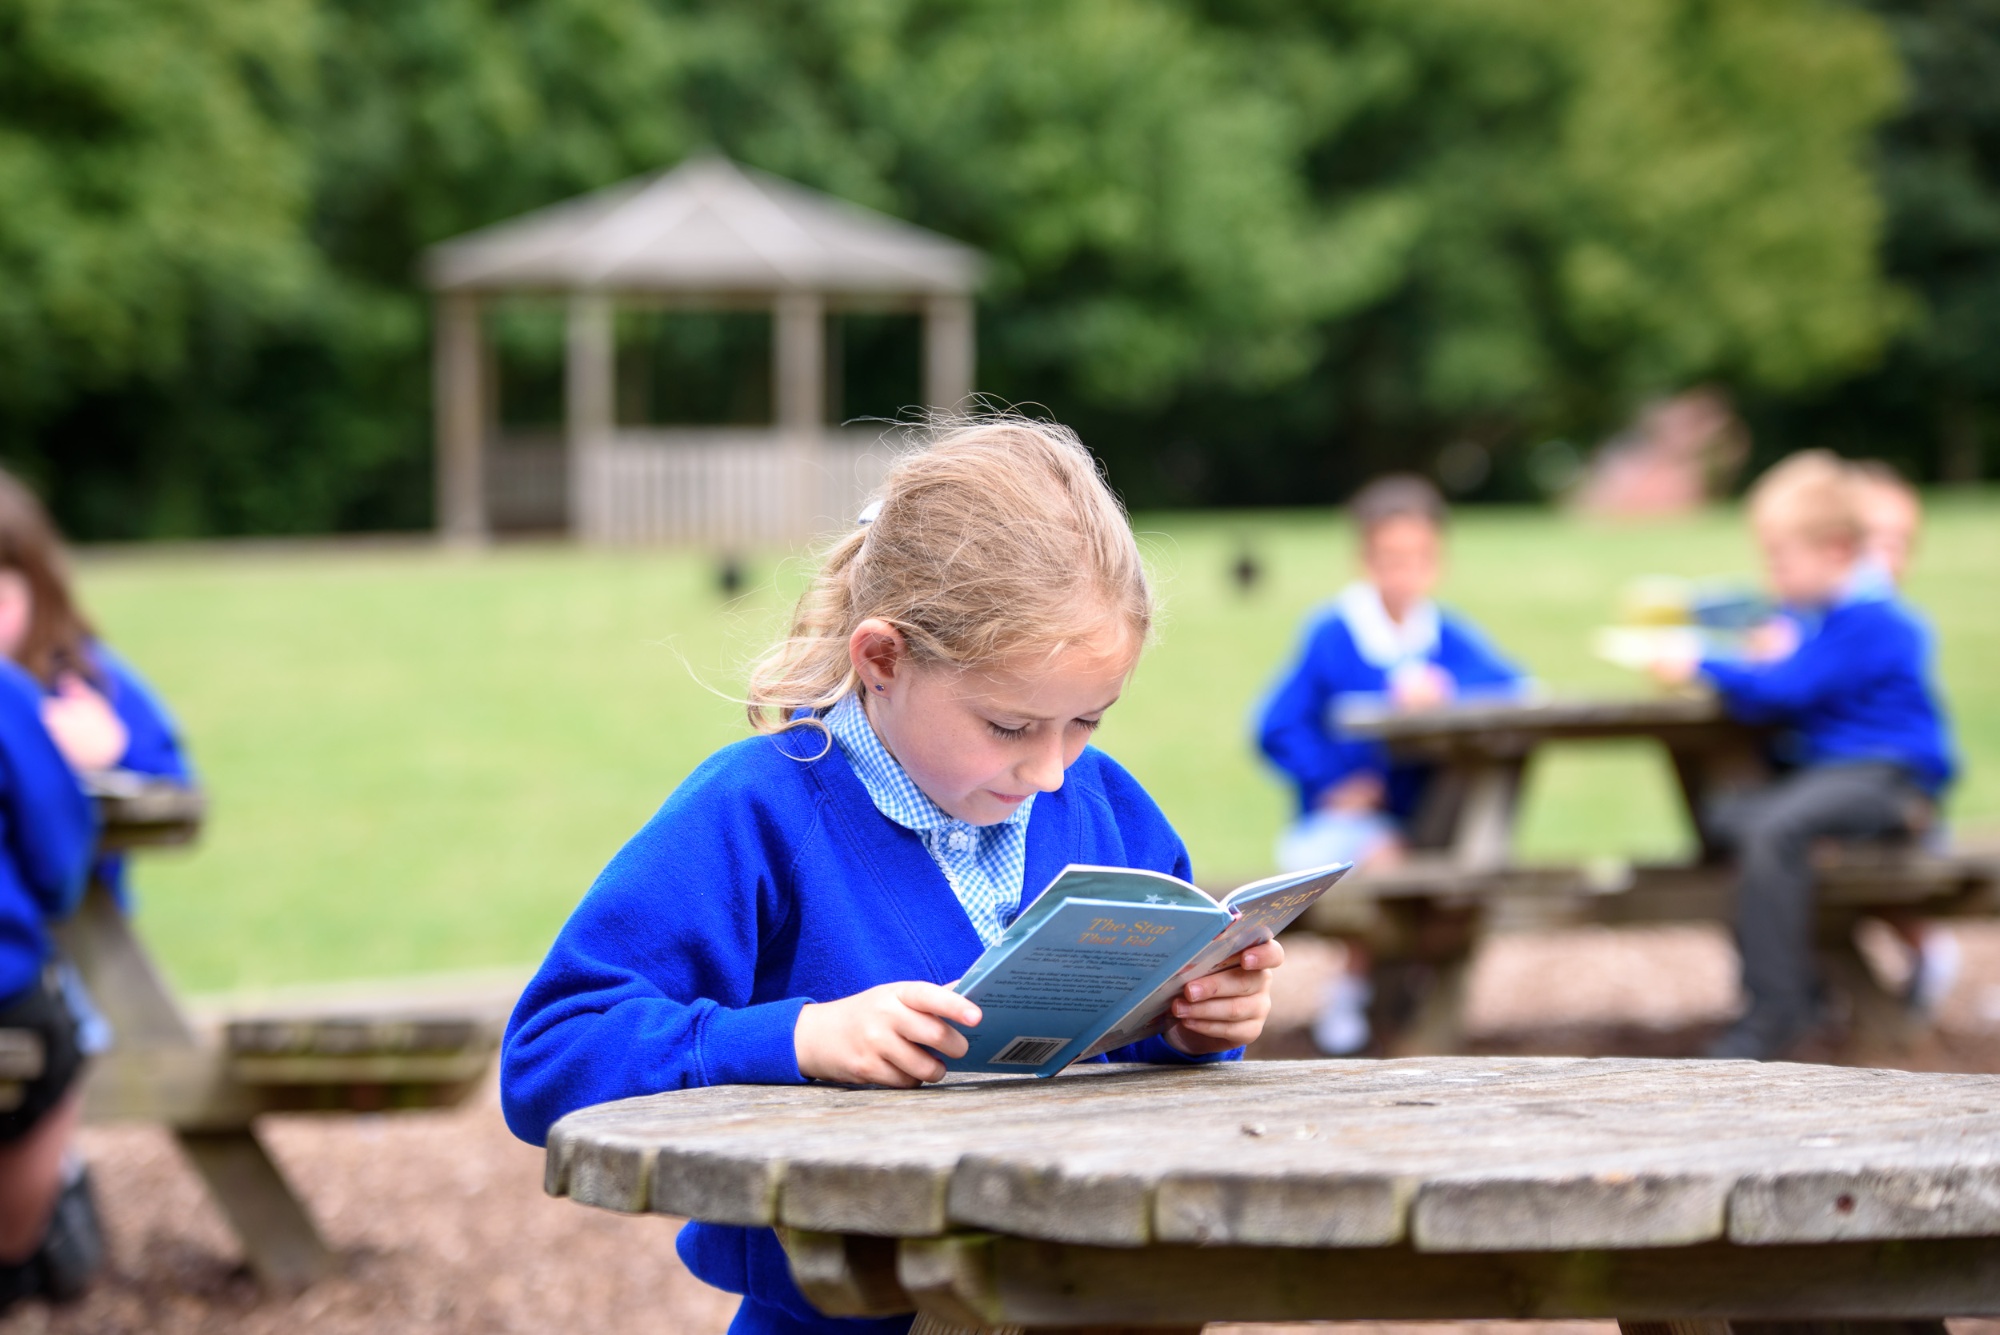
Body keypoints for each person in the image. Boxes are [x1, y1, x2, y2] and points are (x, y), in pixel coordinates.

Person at [501, 418, 1285, 1335]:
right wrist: (800, 1038)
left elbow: (1113, 1058)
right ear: (882, 659)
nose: (1051, 770)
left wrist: (1193, 1026)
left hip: (1101, 1299)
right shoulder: (758, 810)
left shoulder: (1107, 810)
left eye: (1087, 722)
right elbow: (552, 1053)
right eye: (1008, 725)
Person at [1651, 451, 1954, 1060]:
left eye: (1780, 560)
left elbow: (1787, 689)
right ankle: (1802, 986)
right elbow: (1786, 673)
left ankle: (1777, 1011)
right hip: (1835, 771)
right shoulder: (1822, 617)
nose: (1772, 576)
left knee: (1774, 832)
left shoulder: (1871, 619)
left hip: (1886, 775)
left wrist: (1702, 664)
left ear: (1836, 551)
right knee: (1729, 819)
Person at [0, 468, 194, 1312]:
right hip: (27, 967)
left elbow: (170, 780)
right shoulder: (14, 700)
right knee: (55, 1044)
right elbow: (55, 857)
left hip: (63, 959)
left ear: (37, 586)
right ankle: (24, 1249)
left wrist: (111, 754)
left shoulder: (88, 680)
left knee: (64, 1025)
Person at [1256, 475, 1525, 1053]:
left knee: (1452, 867)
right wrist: (1331, 781)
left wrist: (1447, 689)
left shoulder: (1444, 636)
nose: (1405, 573)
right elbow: (1275, 726)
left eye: (1418, 558)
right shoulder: (1334, 634)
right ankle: (1357, 995)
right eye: (1391, 558)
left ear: (1438, 560)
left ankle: (1405, 1004)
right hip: (1338, 831)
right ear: (1365, 559)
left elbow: (1515, 686)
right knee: (1391, 865)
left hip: (1418, 824)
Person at [1848, 460, 1958, 1013]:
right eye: (1869, 539)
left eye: (1897, 544)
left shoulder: (1891, 625)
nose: (1880, 558)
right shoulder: (1829, 617)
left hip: (1897, 790)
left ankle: (1923, 950)